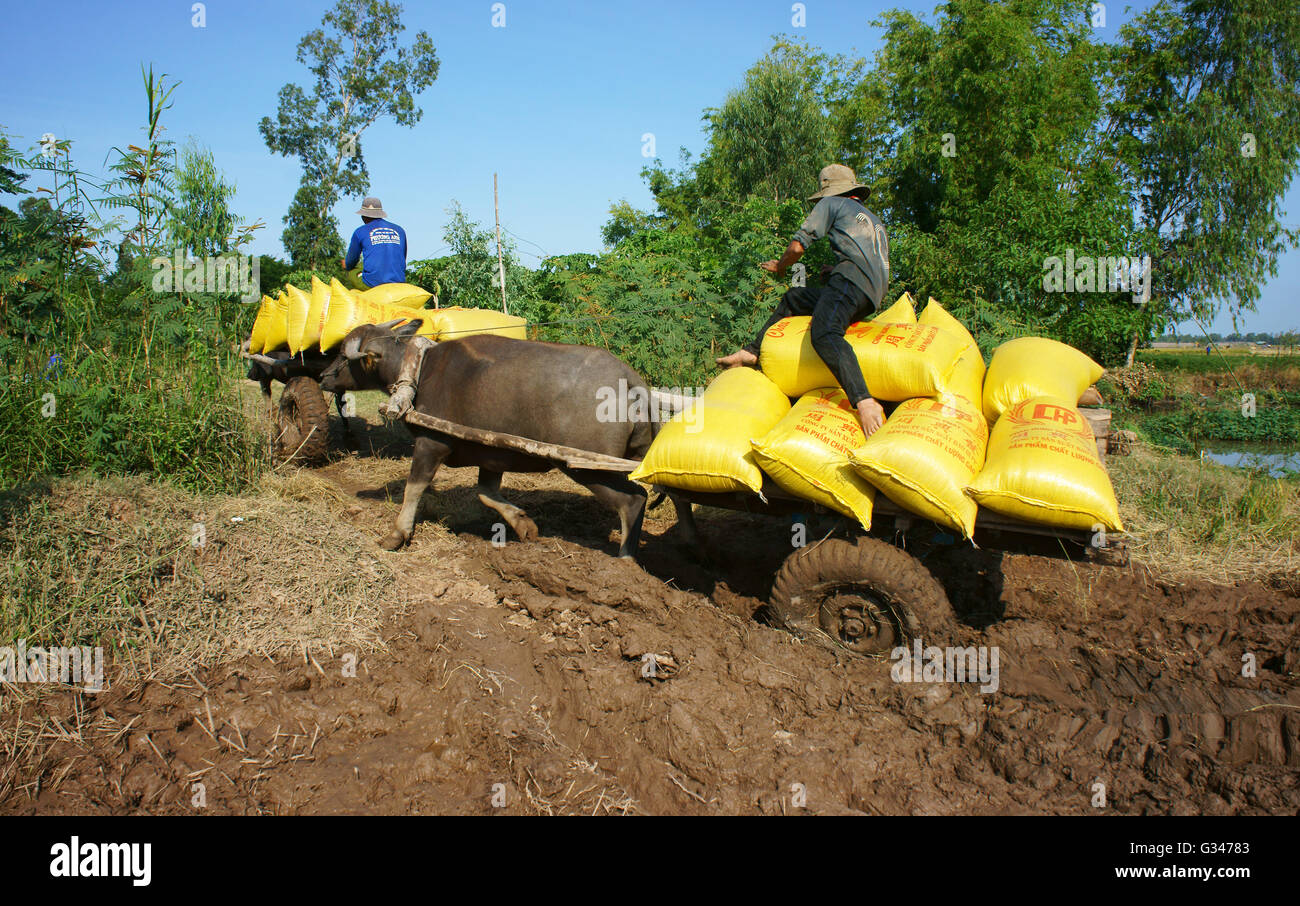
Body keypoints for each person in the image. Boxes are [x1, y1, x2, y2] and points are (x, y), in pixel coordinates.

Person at [717, 164, 890, 436]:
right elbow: (870, 263)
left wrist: (781, 266)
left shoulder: (832, 204)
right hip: (871, 293)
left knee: (824, 333)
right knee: (796, 297)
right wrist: (834, 270)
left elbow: (798, 246)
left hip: (849, 282)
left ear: (830, 191)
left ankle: (864, 401)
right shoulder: (873, 219)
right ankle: (751, 352)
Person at [342, 197, 408, 288]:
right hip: (398, 282)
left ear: (363, 216)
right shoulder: (400, 230)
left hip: (373, 284)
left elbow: (351, 261)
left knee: (352, 271)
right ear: (380, 214)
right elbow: (402, 258)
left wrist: (346, 265)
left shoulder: (360, 232)